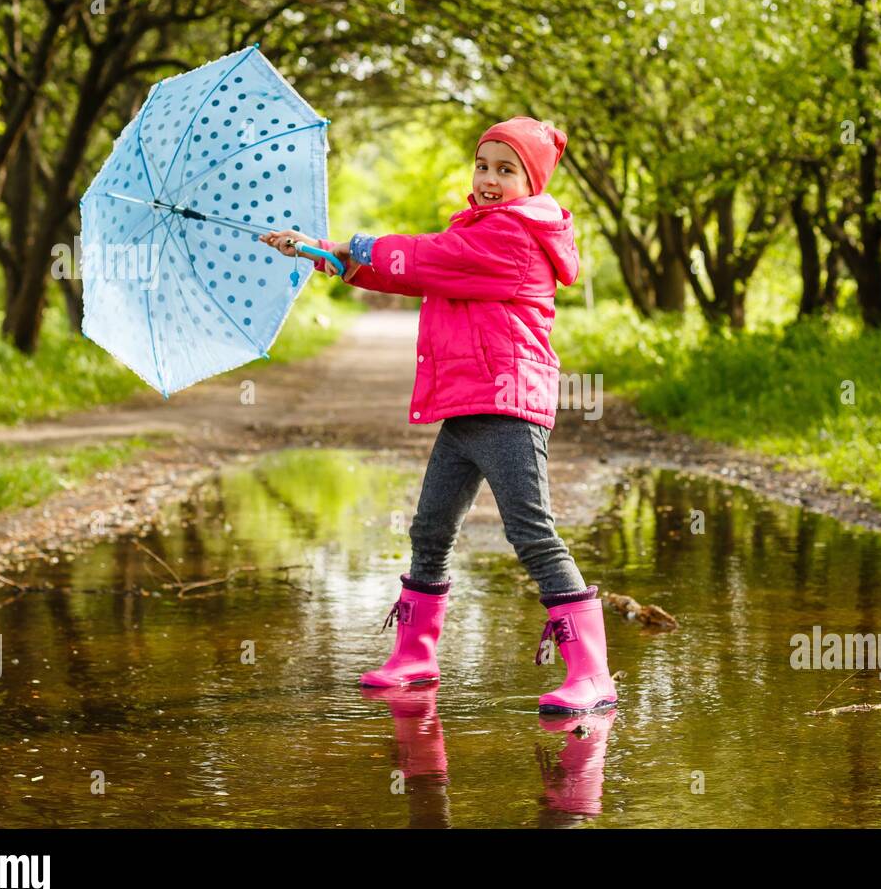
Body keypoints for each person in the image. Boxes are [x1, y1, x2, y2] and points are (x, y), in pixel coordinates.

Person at [258, 116, 617, 714]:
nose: (490, 179)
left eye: (507, 170)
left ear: (532, 183)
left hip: (507, 408)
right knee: (430, 528)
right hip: (466, 409)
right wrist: (321, 252)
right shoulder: (478, 232)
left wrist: (357, 245)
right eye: (483, 166)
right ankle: (416, 654)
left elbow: (427, 257)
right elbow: (415, 272)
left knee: (530, 532)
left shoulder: (514, 238)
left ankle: (591, 671)